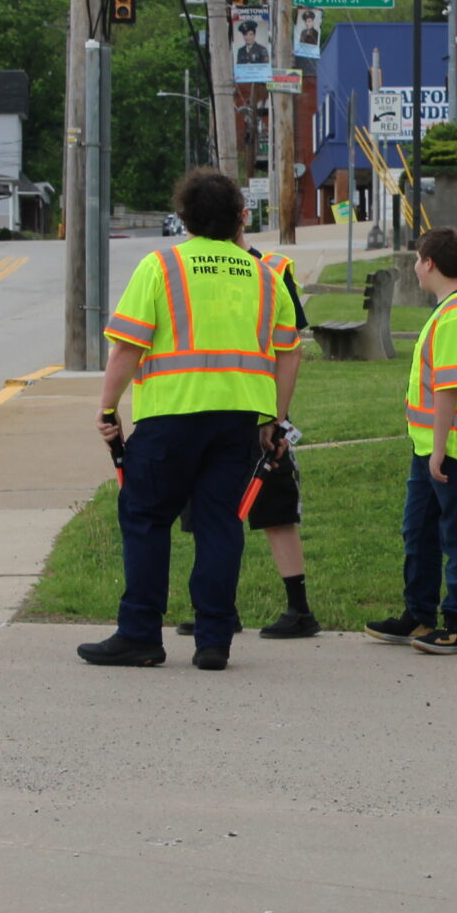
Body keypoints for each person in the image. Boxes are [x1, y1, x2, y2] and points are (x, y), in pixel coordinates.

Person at [81, 168, 301, 672]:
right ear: (240, 218)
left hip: (170, 417)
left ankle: (140, 634)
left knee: (146, 518)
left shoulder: (162, 266)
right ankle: (214, 640)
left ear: (184, 217)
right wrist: (276, 420)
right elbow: (289, 354)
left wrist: (107, 406)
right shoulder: (265, 275)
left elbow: (127, 347)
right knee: (220, 525)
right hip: (239, 421)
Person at [175, 220, 317, 640]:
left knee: (274, 509)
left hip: (259, 415)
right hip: (213, 410)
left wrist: (276, 417)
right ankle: (219, 609)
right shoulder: (200, 268)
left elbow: (290, 350)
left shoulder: (271, 268)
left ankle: (299, 608)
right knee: (209, 513)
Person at [364, 226, 457, 655]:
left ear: (430, 264)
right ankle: (418, 616)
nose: (415, 267)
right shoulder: (448, 310)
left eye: (418, 259)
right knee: (418, 532)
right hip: (431, 448)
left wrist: (439, 449)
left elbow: (450, 388)